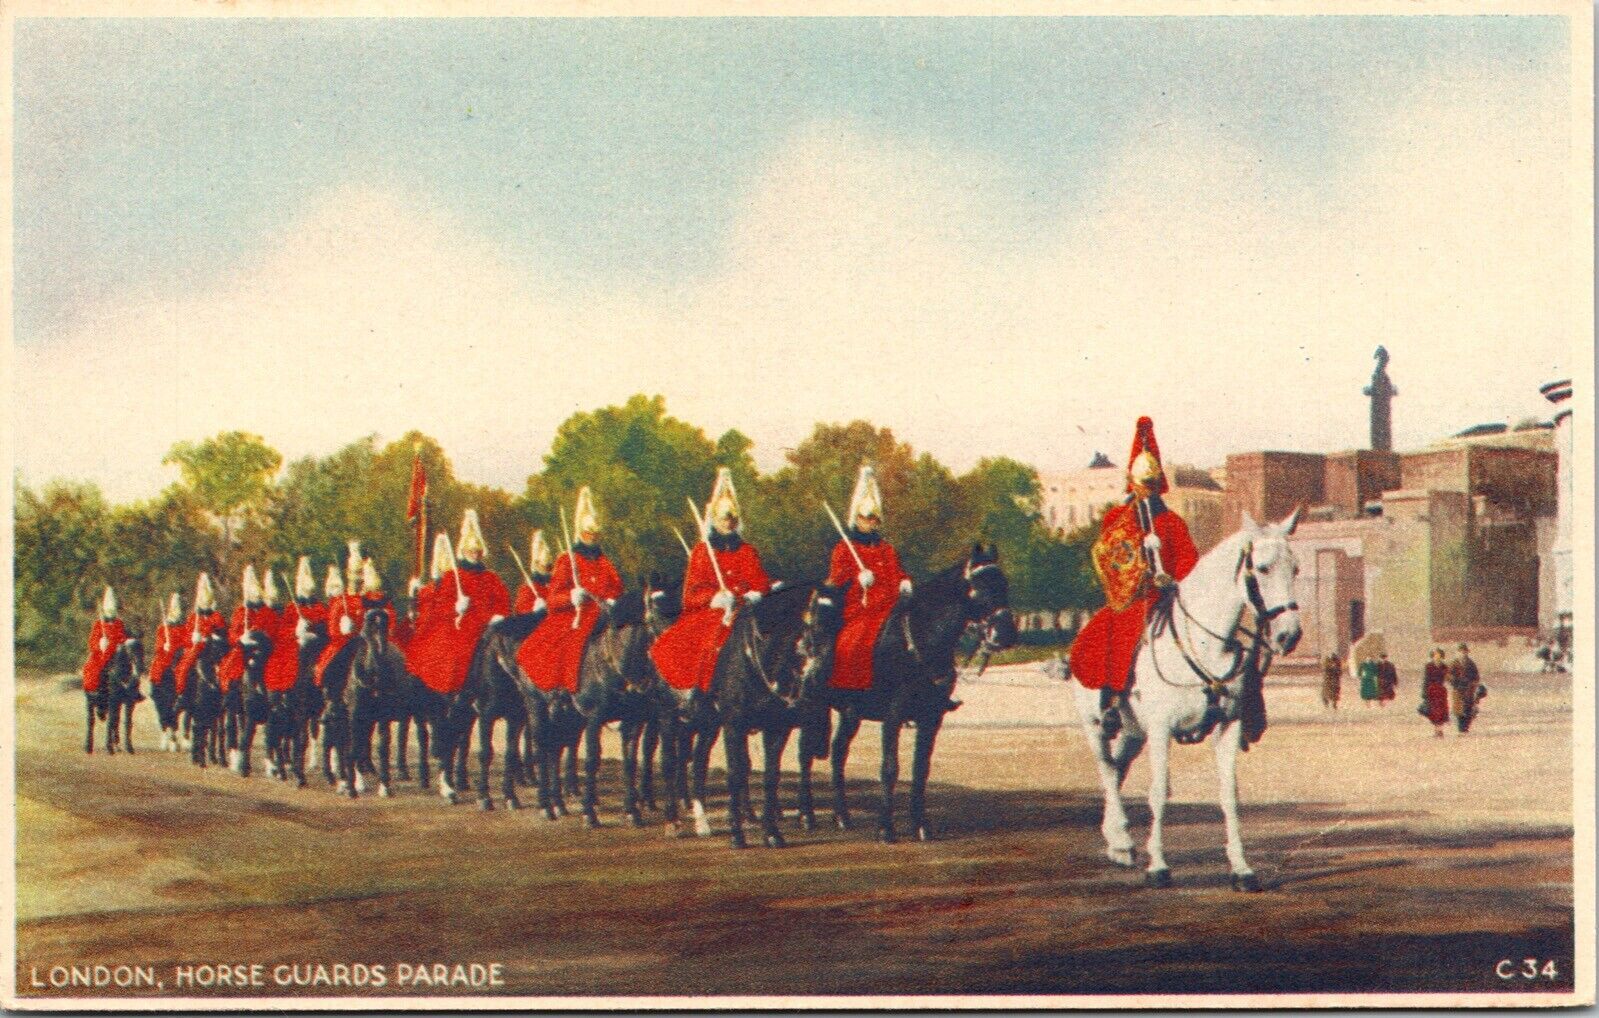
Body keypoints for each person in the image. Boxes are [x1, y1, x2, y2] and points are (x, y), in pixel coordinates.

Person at [1068, 417, 1199, 738]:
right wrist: (1139, 571)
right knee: (1118, 629)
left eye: (1152, 486)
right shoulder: (1118, 519)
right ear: (1133, 484)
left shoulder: (1172, 522)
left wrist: (1172, 580)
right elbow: (1111, 558)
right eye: (1143, 485)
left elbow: (1188, 560)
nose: (1147, 492)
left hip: (1168, 596)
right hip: (1133, 597)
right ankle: (1111, 701)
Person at [650, 468, 775, 695]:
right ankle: (701, 689)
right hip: (710, 612)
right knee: (708, 640)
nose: (728, 523)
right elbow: (691, 595)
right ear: (714, 520)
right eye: (724, 519)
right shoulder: (702, 551)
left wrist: (753, 594)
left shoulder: (747, 550)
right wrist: (715, 597)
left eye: (732, 519)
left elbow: (760, 581)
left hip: (744, 609)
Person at [515, 488, 623, 695]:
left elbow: (617, 588)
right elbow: (553, 599)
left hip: (603, 612)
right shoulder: (567, 560)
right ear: (580, 533)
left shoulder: (605, 562)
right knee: (568, 642)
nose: (592, 538)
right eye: (588, 533)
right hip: (575, 614)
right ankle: (564, 687)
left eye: (595, 534)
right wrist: (571, 597)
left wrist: (611, 599)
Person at [823, 464, 915, 696]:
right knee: (857, 639)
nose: (869, 523)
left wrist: (904, 581)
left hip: (892, 605)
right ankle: (853, 689)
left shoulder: (887, 549)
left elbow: (897, 572)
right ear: (856, 519)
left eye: (873, 519)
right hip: (860, 607)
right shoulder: (844, 548)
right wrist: (857, 577)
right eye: (865, 518)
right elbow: (836, 579)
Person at [408, 510, 511, 698]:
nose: (475, 554)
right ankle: (457, 692)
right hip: (462, 624)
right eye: (471, 551)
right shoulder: (452, 577)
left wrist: (499, 615)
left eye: (478, 551)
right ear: (463, 551)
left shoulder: (491, 578)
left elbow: (502, 601)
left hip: (491, 625)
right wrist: (456, 608)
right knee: (457, 653)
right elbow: (440, 608)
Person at [219, 565, 274, 693]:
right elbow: (232, 635)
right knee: (230, 669)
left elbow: (273, 633)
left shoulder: (268, 612)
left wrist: (262, 637)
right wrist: (241, 639)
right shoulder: (241, 612)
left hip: (265, 649)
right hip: (244, 649)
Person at [174, 572, 228, 698]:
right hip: (196, 648)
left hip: (213, 649)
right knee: (184, 667)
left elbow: (223, 634)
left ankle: (223, 689)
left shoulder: (216, 617)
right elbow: (186, 637)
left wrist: (211, 637)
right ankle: (181, 694)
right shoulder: (193, 618)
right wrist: (193, 638)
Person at [82, 585, 128, 701]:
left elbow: (122, 637)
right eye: (109, 611)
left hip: (116, 652)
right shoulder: (99, 624)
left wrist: (121, 644)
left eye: (113, 611)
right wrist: (100, 644)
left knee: (128, 666)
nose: (111, 613)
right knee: (92, 667)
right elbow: (92, 641)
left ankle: (131, 691)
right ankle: (93, 690)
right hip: (102, 653)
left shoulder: (119, 623)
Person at [514, 529, 555, 614]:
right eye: (542, 546)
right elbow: (522, 615)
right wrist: (535, 612)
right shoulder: (527, 590)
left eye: (548, 545)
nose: (548, 550)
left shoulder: (561, 579)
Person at [1449, 643, 1484, 734]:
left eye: (1464, 651)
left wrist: (1473, 684)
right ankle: (1461, 730)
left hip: (1469, 690)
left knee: (1468, 710)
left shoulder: (1471, 663)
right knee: (1459, 711)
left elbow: (1476, 677)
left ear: (1467, 652)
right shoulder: (1454, 663)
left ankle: (1465, 729)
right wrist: (1455, 681)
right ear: (1458, 652)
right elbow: (1448, 675)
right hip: (1458, 690)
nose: (1463, 653)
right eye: (1461, 651)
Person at [1419, 648, 1450, 736]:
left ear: (1442, 656)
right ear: (1432, 656)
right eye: (1435, 654)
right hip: (1431, 690)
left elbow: (1448, 677)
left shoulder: (1444, 666)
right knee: (1433, 711)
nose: (1437, 656)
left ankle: (1440, 730)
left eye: (1439, 654)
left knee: (1442, 710)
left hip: (1441, 690)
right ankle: (1436, 729)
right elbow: (1426, 679)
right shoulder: (1428, 666)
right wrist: (1424, 691)